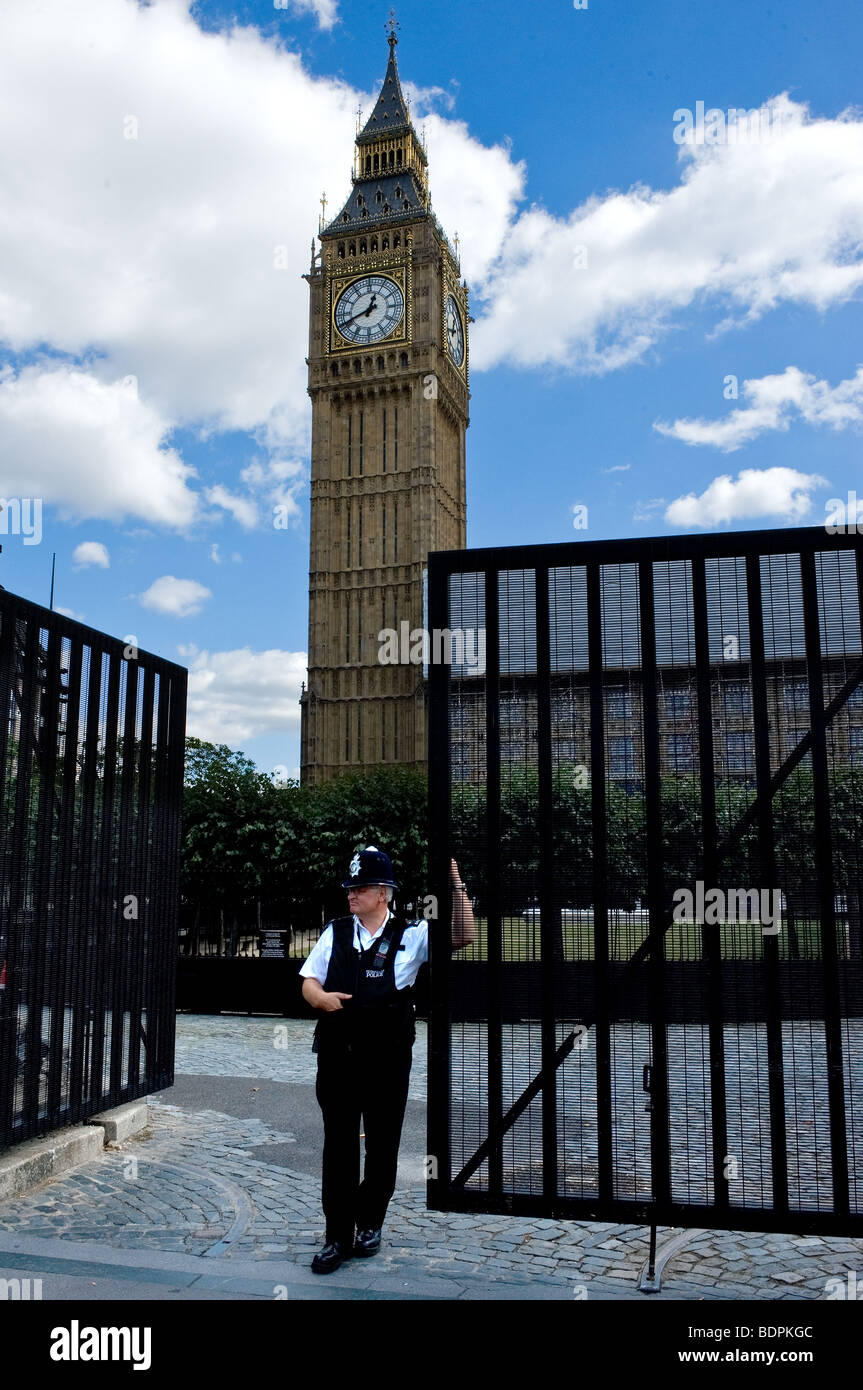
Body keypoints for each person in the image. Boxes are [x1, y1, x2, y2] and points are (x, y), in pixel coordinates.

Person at [300, 845, 475, 1274]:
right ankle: (336, 1235)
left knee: (382, 1146)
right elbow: (308, 980)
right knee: (339, 1147)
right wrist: (320, 998)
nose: (350, 895)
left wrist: (454, 881)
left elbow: (463, 936)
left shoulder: (411, 936)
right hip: (338, 1061)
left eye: (358, 888)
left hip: (387, 1062)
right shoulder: (336, 932)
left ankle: (370, 1223)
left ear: (382, 892)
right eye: (349, 888)